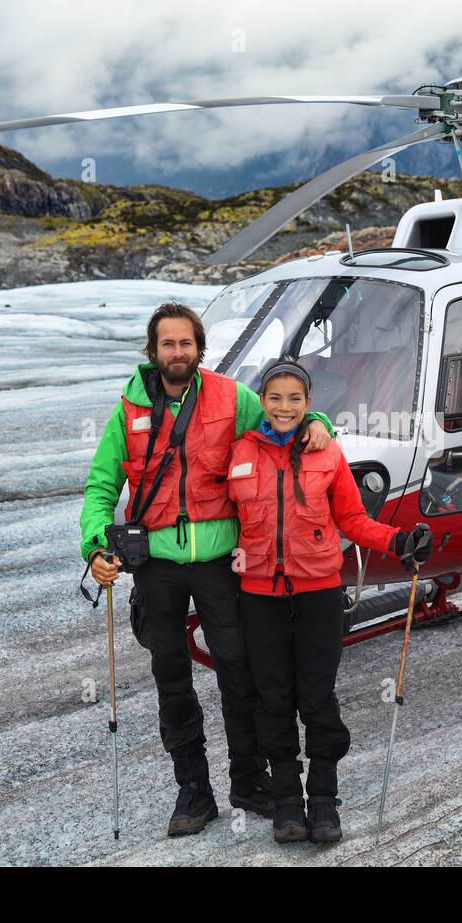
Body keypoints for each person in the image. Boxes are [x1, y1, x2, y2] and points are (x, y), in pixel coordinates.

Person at [80, 304, 335, 838]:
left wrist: (317, 422)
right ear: (153, 351)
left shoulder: (228, 397)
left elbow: (280, 420)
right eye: (168, 344)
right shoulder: (128, 408)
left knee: (239, 671)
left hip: (221, 561)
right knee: (171, 676)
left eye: (186, 343)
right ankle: (193, 790)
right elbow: (102, 485)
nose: (178, 353)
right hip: (157, 565)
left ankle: (249, 777)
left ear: (200, 348)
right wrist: (96, 544)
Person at [226, 358, 433, 844]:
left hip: (319, 593)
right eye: (274, 398)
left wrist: (399, 542)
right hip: (259, 596)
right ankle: (286, 804)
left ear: (308, 404)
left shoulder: (327, 454)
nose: (283, 407)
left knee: (316, 698)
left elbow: (354, 521)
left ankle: (323, 799)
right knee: (273, 699)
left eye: (294, 399)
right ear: (262, 401)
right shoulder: (238, 453)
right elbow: (217, 517)